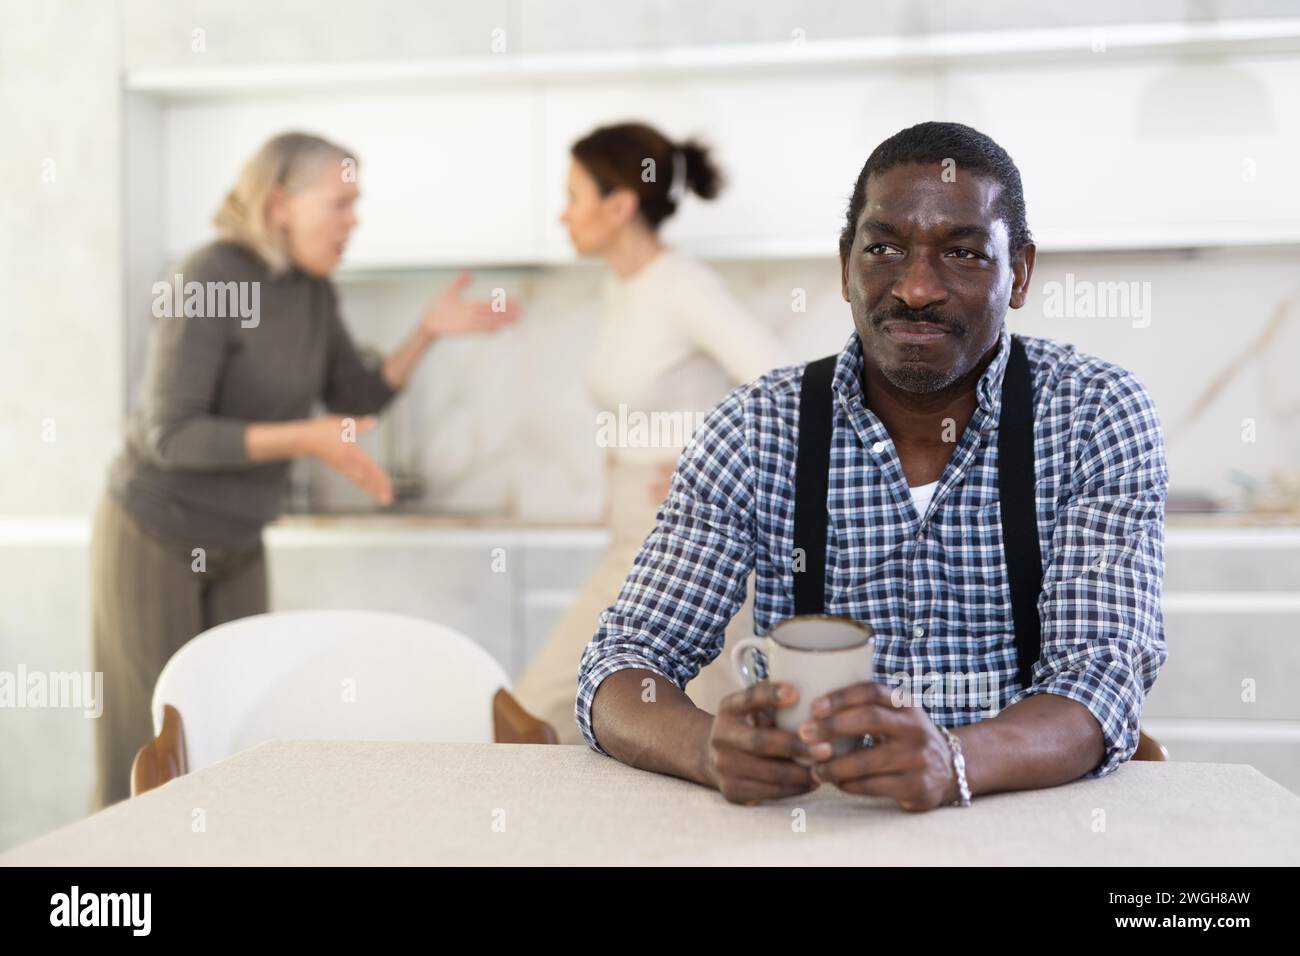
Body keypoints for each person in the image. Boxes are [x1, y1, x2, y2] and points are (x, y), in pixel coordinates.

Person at [577, 121, 1168, 811]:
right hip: (818, 828)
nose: (917, 288)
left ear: (1021, 274)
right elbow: (621, 666)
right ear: (845, 267)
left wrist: (953, 763)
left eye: (963, 254)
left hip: (1024, 817)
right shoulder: (755, 428)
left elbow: (1101, 677)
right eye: (884, 247)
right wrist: (705, 749)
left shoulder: (1094, 415)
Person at [92, 131, 518, 808]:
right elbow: (169, 434)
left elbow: (358, 395)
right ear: (281, 202)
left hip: (238, 540)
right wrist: (310, 439)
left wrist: (428, 330)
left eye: (358, 204)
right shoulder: (209, 276)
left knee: (232, 743)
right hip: (155, 536)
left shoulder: (312, 294)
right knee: (150, 754)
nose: (355, 220)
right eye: (341, 202)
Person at [512, 122, 788, 742]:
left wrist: (708, 467)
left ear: (620, 204)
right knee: (566, 714)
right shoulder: (624, 286)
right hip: (634, 533)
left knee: (557, 712)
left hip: (692, 540)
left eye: (574, 196)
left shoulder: (682, 286)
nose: (563, 214)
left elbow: (782, 388)